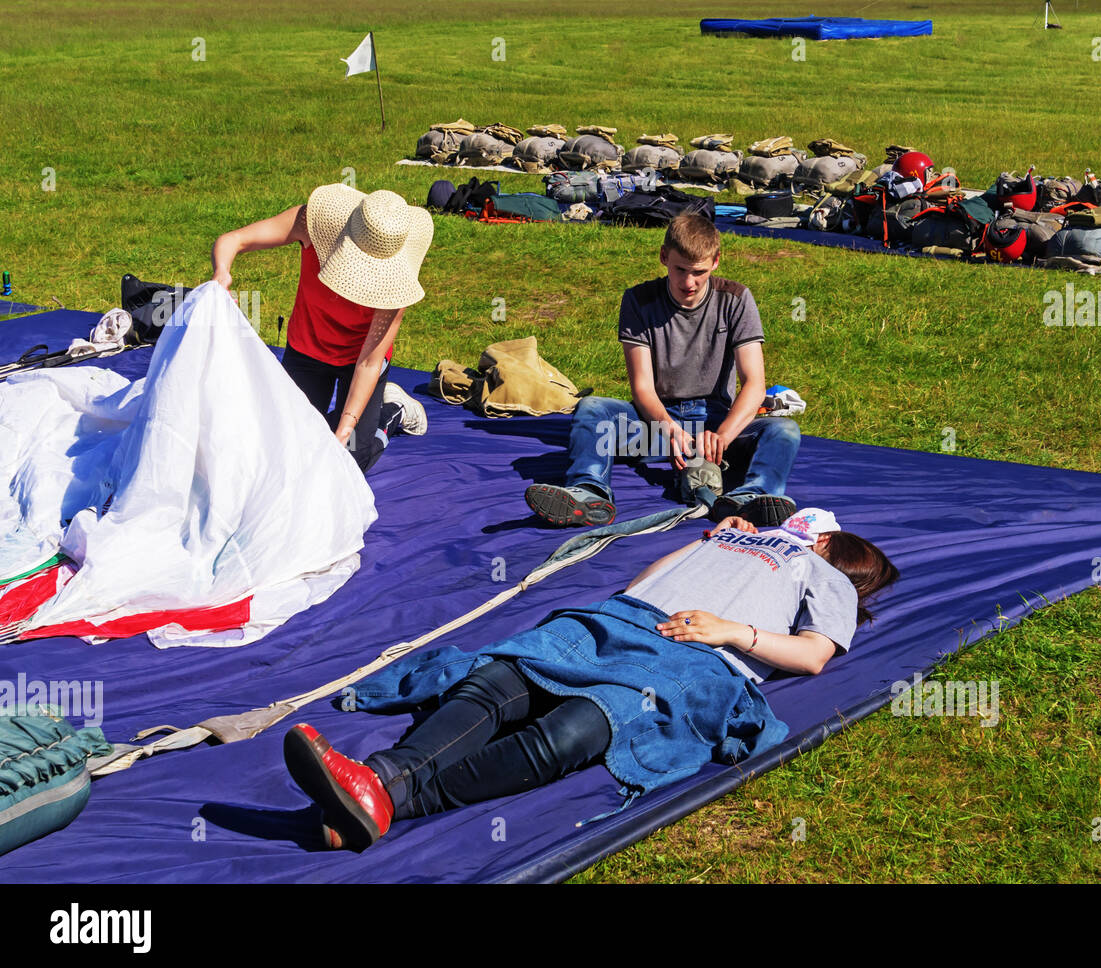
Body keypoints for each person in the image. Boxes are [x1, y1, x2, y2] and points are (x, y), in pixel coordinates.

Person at [282, 507, 899, 850]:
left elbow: (816, 653)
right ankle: (381, 782)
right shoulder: (742, 534)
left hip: (695, 658)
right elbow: (647, 580)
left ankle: (390, 796)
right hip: (623, 618)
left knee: (580, 725)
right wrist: (707, 544)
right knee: (506, 676)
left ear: (831, 548)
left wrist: (733, 631)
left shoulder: (830, 580)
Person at [523, 213, 802, 528]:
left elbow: (754, 384)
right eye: (680, 270)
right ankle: (588, 492)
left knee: (784, 430)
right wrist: (668, 429)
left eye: (698, 272)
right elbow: (641, 388)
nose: (688, 283)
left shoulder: (736, 299)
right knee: (592, 408)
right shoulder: (638, 300)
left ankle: (750, 499)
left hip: (716, 425)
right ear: (663, 257)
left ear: (716, 262)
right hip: (654, 427)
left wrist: (722, 437)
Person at [211, 184, 434, 473]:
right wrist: (222, 272)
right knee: (285, 449)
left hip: (359, 362)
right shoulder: (315, 222)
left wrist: (345, 430)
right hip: (307, 350)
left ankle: (394, 410)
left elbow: (369, 362)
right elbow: (235, 239)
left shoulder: (397, 283)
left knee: (350, 460)